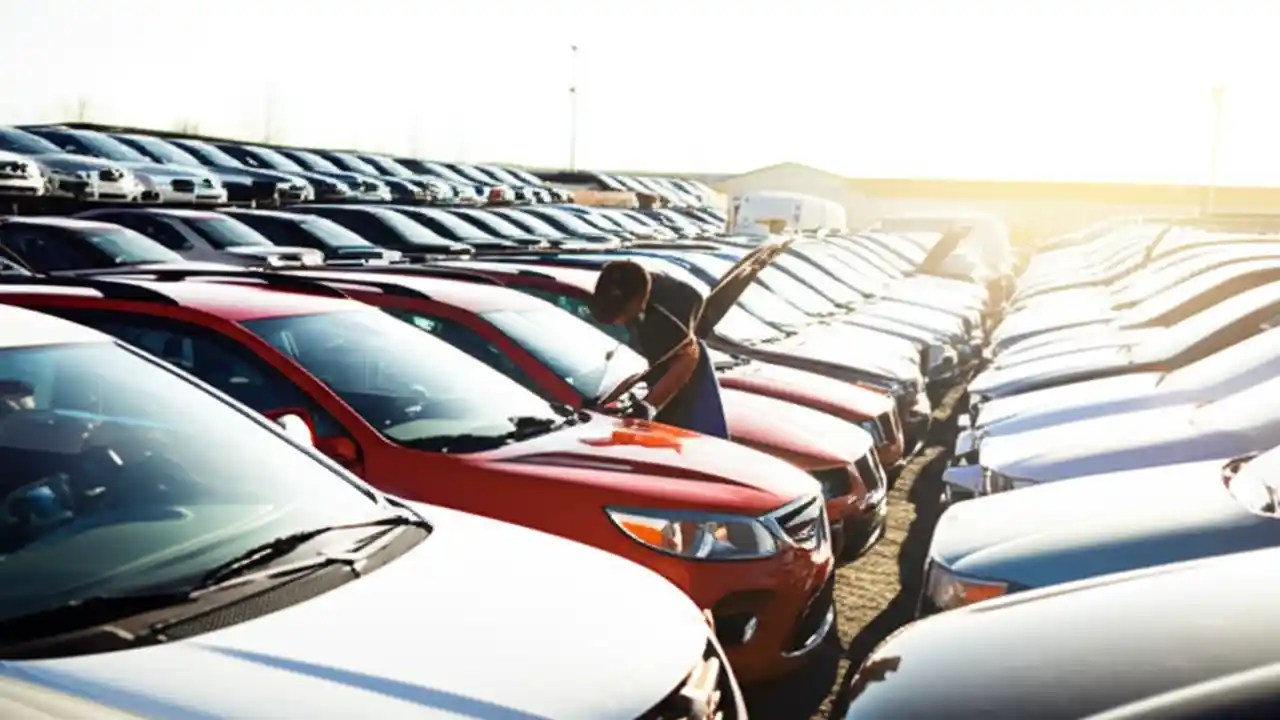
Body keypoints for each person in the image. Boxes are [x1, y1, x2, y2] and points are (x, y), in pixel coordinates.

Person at [589, 261, 727, 435]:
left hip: (684, 386)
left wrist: (648, 406)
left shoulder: (668, 313)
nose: (618, 324)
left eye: (620, 317)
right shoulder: (619, 285)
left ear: (637, 305)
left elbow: (688, 358)